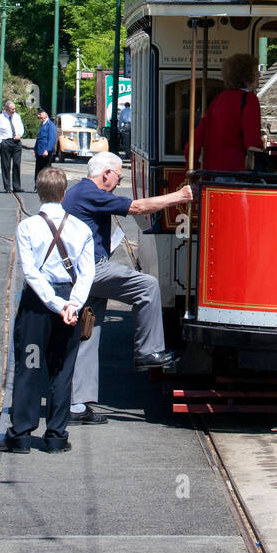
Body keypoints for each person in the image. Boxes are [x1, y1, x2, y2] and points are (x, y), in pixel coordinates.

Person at [66, 152, 193, 425]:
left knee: (89, 333)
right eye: (118, 177)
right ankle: (149, 351)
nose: (117, 182)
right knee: (147, 285)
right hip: (91, 271)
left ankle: (76, 406)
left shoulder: (79, 192)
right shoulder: (90, 192)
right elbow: (137, 207)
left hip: (82, 273)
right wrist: (179, 196)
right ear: (105, 174)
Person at [0, 167, 94, 455]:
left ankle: (21, 435)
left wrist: (55, 303)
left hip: (38, 305)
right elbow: (87, 274)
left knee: (30, 365)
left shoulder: (27, 227)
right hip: (69, 303)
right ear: (64, 193)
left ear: (38, 192)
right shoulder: (81, 228)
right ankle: (56, 436)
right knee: (62, 368)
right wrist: (72, 304)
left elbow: (32, 273)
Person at [193, 53, 262, 172]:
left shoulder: (218, 99)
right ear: (245, 76)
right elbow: (252, 142)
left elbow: (196, 139)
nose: (259, 75)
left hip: (214, 173)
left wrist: (192, 170)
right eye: (255, 71)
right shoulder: (249, 100)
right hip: (238, 172)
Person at [0, 100, 24, 193]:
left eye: (14, 109)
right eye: (12, 109)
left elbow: (21, 128)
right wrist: (0, 142)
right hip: (6, 142)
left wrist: (19, 135)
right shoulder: (0, 118)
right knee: (6, 165)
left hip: (16, 142)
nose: (14, 111)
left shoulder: (17, 116)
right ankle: (7, 187)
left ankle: (17, 186)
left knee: (17, 164)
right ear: (6, 109)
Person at [34, 108, 57, 179]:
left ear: (46, 114)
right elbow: (38, 139)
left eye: (40, 114)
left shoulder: (50, 125)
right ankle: (37, 186)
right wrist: (35, 150)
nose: (38, 116)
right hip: (39, 152)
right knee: (38, 170)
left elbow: (52, 139)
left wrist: (47, 149)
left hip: (45, 153)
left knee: (46, 171)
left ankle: (45, 187)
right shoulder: (42, 125)